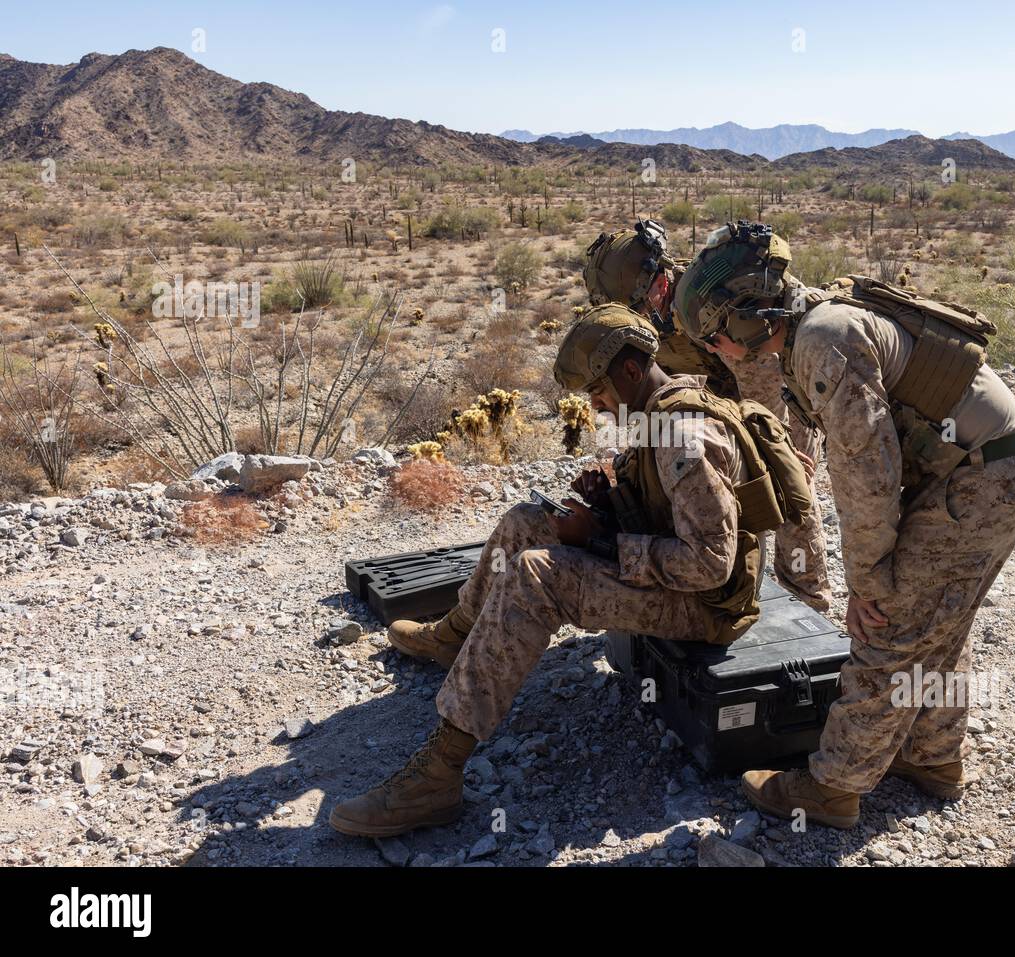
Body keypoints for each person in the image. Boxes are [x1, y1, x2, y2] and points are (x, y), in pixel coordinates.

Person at [329, 303, 806, 837]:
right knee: (527, 522)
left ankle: (438, 774)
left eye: (598, 392)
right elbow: (664, 514)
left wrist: (599, 539)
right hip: (674, 575)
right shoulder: (657, 407)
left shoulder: (683, 437)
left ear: (630, 370)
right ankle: (455, 636)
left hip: (705, 606)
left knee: (537, 573)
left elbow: (710, 565)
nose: (597, 408)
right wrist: (611, 504)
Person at [674, 221, 1015, 828]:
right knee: (938, 624)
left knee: (890, 626)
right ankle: (932, 757)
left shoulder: (825, 341)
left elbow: (868, 480)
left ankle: (832, 789)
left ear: (748, 317)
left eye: (717, 336)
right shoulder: (810, 330)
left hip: (982, 479)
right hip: (981, 468)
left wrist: (868, 584)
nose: (716, 350)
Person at [584, 219, 831, 611]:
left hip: (776, 394)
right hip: (717, 399)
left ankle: (809, 606)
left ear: (660, 281)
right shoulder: (636, 329)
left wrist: (766, 447)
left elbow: (766, 405)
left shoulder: (718, 303)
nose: (632, 321)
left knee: (787, 487)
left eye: (636, 307)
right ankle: (726, 590)